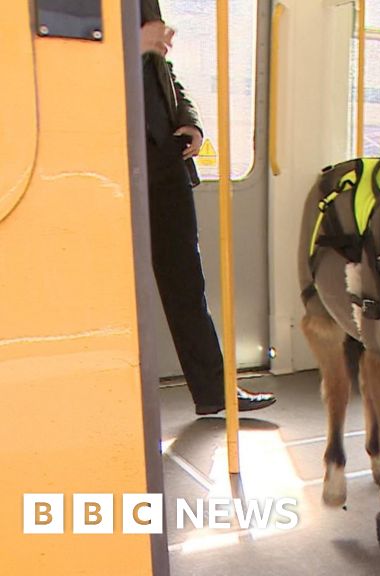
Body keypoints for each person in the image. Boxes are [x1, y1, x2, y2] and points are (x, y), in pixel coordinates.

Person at [141, 0, 275, 416]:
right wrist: (133, 43)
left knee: (186, 283)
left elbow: (163, 72)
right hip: (115, 163)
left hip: (165, 160)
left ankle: (214, 391)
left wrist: (190, 121)